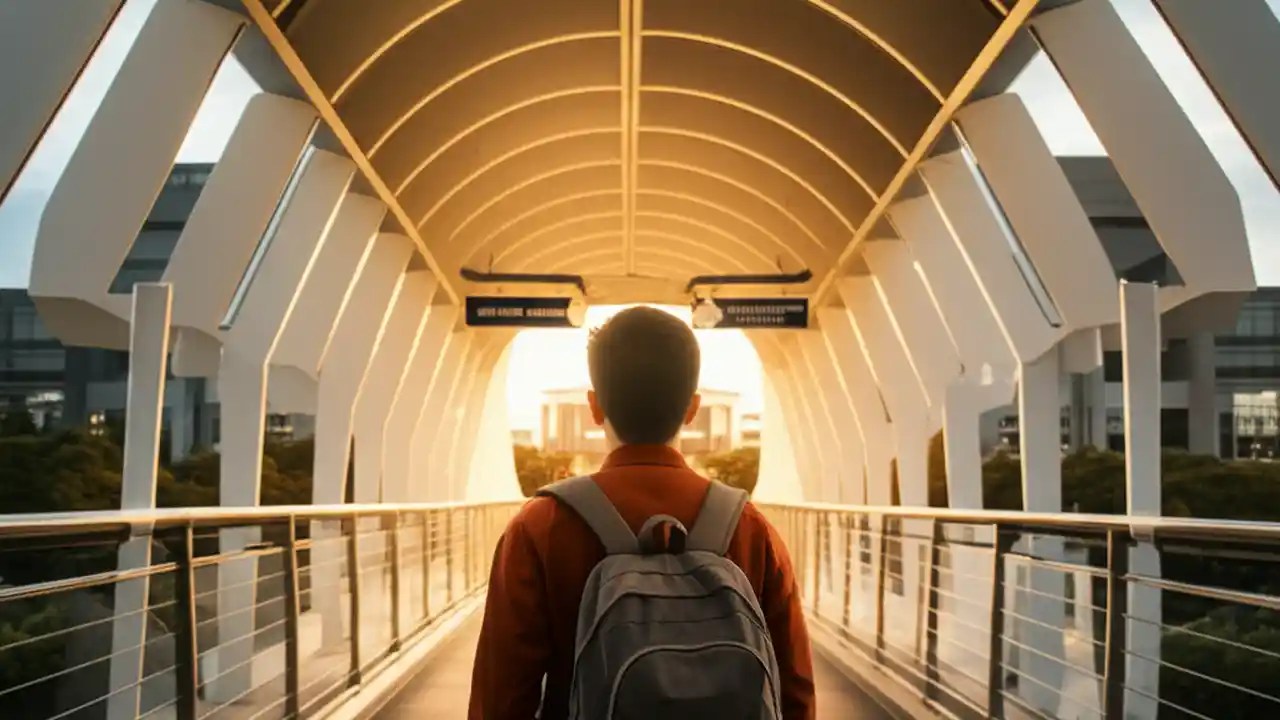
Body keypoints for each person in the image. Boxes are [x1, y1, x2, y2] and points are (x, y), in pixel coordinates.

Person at [468, 306, 815, 719]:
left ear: (595, 408)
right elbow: (794, 688)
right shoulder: (751, 528)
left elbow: (502, 697)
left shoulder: (539, 527)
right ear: (692, 408)